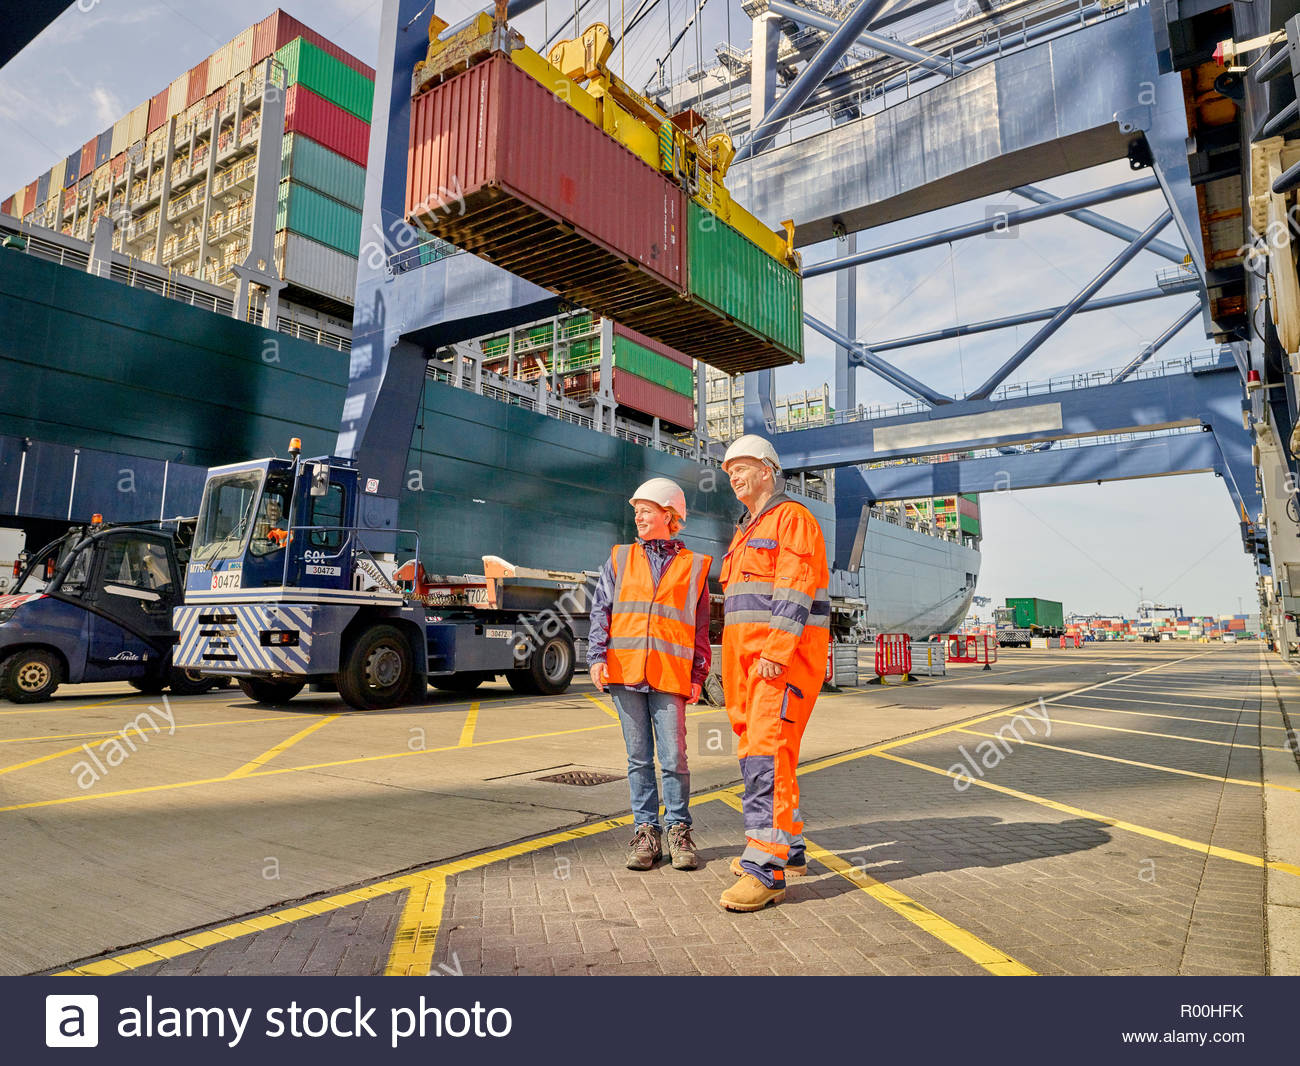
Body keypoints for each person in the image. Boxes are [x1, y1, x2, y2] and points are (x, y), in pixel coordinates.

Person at [717, 435, 830, 912]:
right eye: (727, 472)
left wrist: (777, 652)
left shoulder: (792, 519)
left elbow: (795, 588)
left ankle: (766, 868)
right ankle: (793, 848)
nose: (733, 477)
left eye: (740, 467)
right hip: (748, 665)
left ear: (768, 470)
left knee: (766, 757)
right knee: (766, 753)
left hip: (776, 663)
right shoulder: (746, 528)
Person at [588, 478, 712, 872]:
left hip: (671, 675)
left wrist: (699, 675)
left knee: (674, 759)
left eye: (646, 510)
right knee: (638, 759)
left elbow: (700, 628)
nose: (638, 517)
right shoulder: (620, 558)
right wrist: (595, 657)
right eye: (636, 511)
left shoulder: (695, 567)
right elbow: (601, 610)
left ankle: (678, 830)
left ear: (669, 516)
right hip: (625, 673)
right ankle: (646, 833)